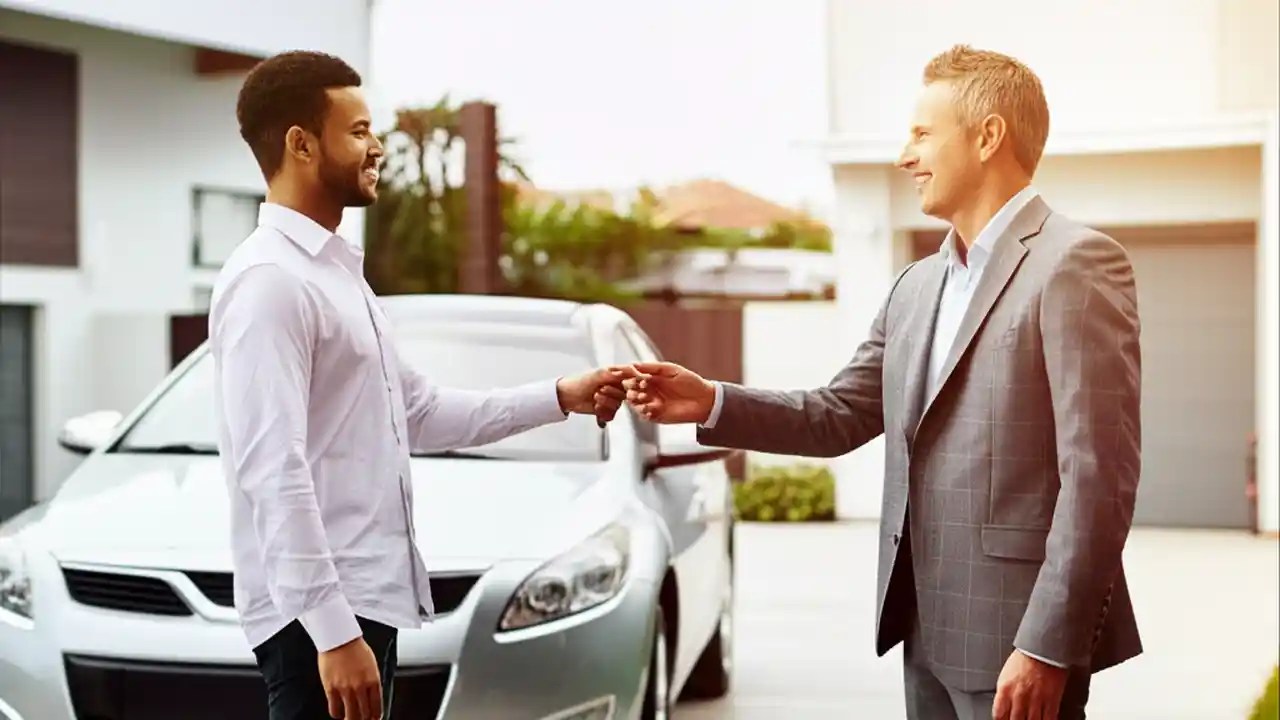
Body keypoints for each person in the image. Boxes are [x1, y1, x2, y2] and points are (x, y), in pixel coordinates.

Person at [622, 44, 1142, 720]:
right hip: (923, 631)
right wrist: (711, 400)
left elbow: (1099, 475)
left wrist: (1047, 645)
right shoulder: (916, 286)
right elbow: (838, 414)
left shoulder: (1076, 263)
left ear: (988, 136)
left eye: (923, 133)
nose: (905, 156)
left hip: (1018, 641)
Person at [211, 51, 629, 720]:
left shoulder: (338, 278)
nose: (376, 147)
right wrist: (333, 630)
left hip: (362, 610)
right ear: (301, 144)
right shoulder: (271, 282)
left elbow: (422, 414)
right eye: (359, 130)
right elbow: (272, 468)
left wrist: (562, 395)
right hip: (320, 624)